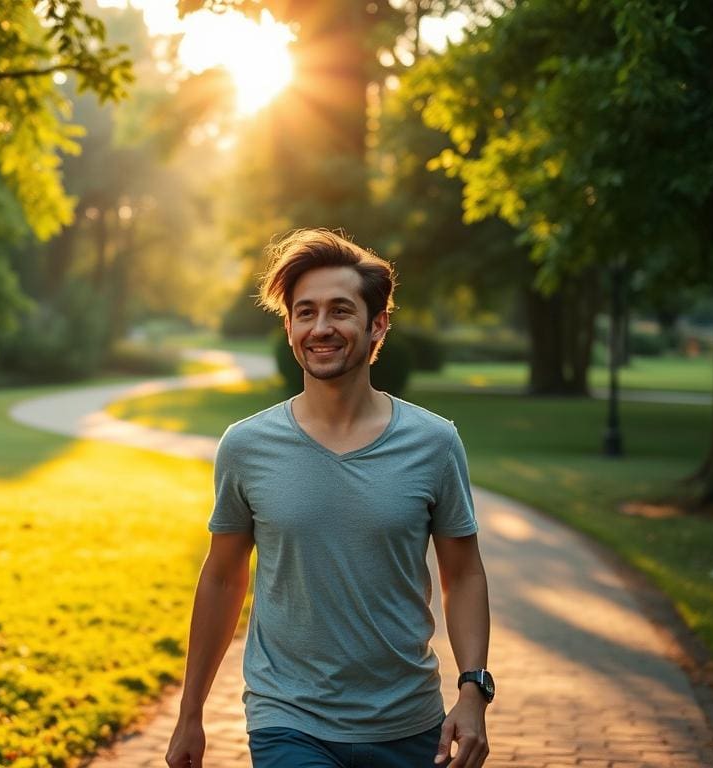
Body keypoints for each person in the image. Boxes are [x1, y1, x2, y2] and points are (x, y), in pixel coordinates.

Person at [166, 229, 492, 768]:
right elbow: (223, 576)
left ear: (377, 324)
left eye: (340, 311)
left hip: (410, 723)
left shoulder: (434, 443)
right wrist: (190, 713)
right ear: (290, 326)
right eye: (305, 312)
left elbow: (466, 575)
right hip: (287, 720)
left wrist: (474, 692)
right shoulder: (246, 446)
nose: (321, 328)